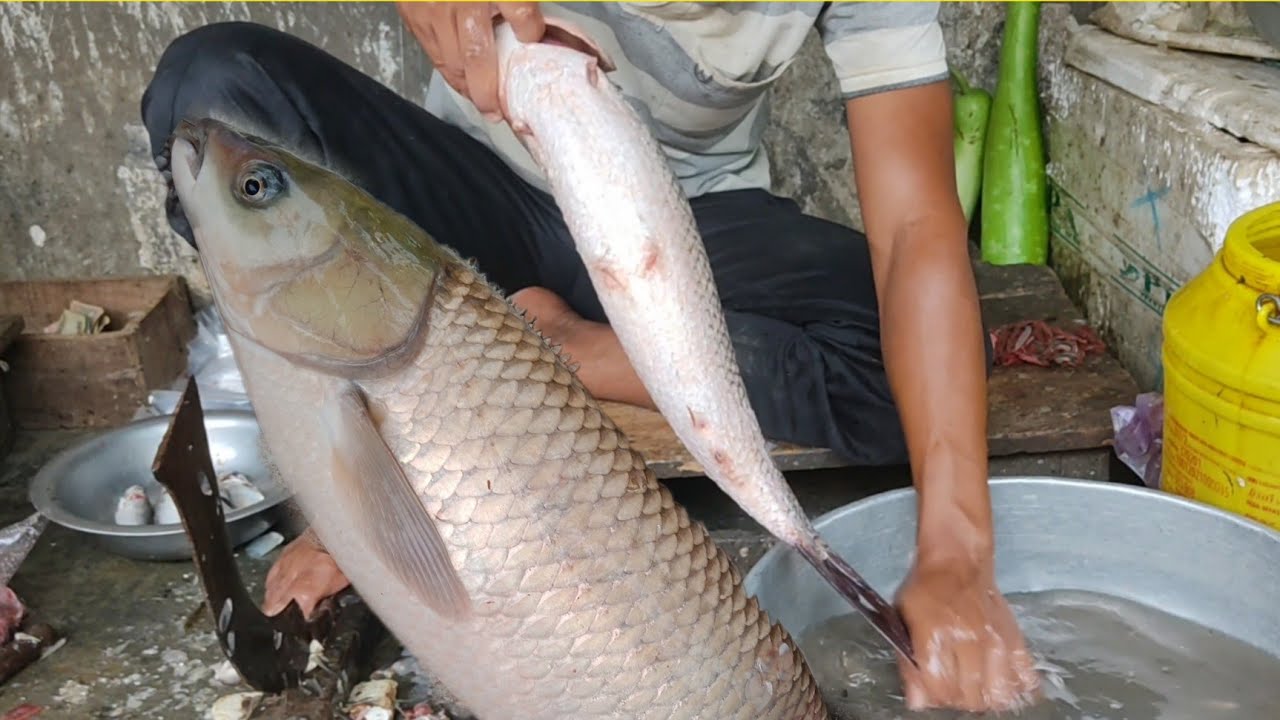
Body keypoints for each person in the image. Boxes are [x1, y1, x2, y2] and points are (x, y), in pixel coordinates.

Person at [141, 1, 1041, 712]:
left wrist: (958, 551)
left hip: (677, 227)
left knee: (898, 355)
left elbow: (918, 229)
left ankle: (574, 347)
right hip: (477, 201)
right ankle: (352, 458)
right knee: (213, 88)